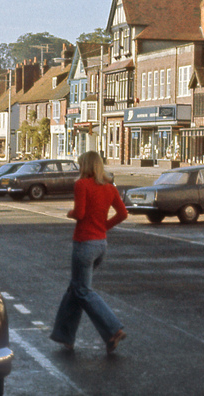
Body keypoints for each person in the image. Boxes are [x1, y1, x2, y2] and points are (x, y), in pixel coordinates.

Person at [50, 150, 128, 354]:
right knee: (75, 289)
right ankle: (65, 337)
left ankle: (114, 329)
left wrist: (69, 213)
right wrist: (104, 227)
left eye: (80, 164)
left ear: (85, 166)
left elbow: (80, 213)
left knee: (83, 290)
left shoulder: (81, 185)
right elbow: (123, 213)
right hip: (101, 244)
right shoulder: (110, 187)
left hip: (84, 243)